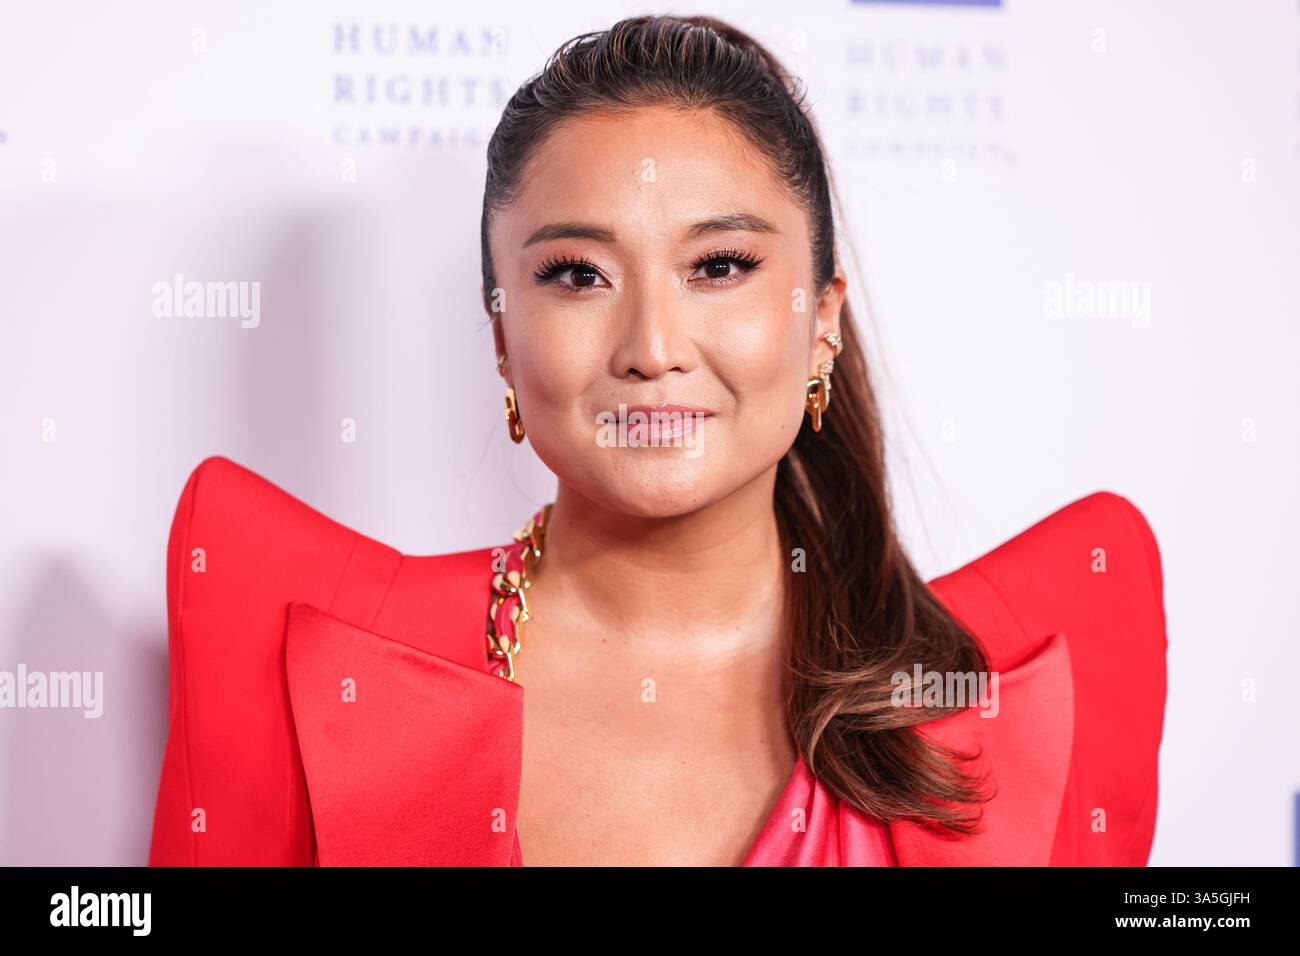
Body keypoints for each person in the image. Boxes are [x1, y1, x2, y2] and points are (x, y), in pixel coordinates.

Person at [147, 14, 1167, 867]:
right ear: (503, 337)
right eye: (577, 275)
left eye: (718, 265)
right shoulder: (324, 667)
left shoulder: (997, 692)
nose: (650, 347)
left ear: (820, 319)